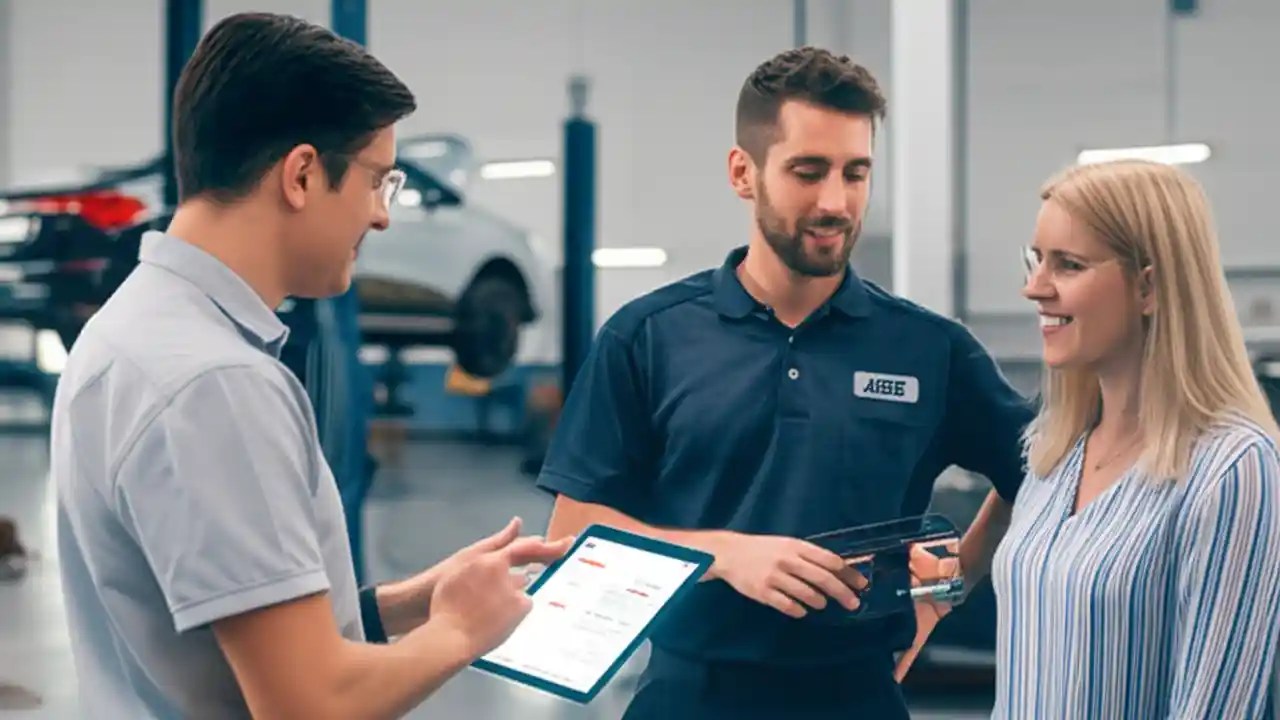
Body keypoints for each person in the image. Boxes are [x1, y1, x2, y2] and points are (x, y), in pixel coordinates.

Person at [50, 13, 570, 719]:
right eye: (377, 183)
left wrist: (418, 602)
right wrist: (461, 630)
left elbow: (228, 631)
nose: (382, 217)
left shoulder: (132, 330)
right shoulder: (214, 385)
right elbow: (308, 705)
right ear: (300, 175)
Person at [535, 46, 1035, 719]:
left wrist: (946, 593)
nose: (836, 201)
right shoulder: (648, 337)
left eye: (856, 173)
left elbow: (1039, 474)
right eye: (808, 171)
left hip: (857, 696)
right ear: (743, 172)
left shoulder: (929, 349)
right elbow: (574, 532)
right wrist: (725, 556)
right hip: (689, 695)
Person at [991, 159, 1280, 718]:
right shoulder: (1052, 454)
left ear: (1148, 285)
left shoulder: (1233, 469)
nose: (1034, 288)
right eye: (1035, 260)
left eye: (1067, 265)